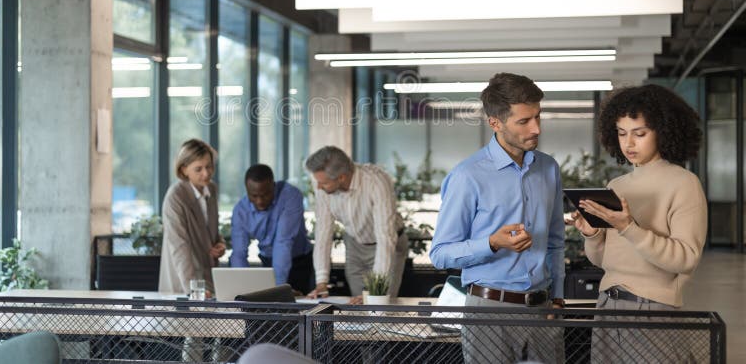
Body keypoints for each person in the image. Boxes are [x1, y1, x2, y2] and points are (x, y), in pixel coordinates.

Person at [430, 72, 565, 364]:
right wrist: (491, 243)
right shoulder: (468, 176)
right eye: (524, 121)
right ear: (495, 123)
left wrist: (558, 296)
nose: (536, 128)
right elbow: (440, 254)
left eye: (538, 117)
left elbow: (555, 241)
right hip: (488, 312)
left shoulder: (549, 169)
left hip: (544, 312)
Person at [566, 84, 707, 362]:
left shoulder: (684, 184)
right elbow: (603, 261)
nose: (628, 143)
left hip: (653, 310)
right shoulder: (616, 185)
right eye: (621, 133)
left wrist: (629, 228)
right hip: (607, 306)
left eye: (639, 134)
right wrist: (593, 235)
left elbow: (686, 259)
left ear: (663, 132)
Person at [305, 146, 409, 303]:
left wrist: (374, 291)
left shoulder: (376, 182)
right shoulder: (324, 185)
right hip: (354, 244)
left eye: (324, 183)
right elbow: (323, 233)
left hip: (388, 245)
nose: (318, 187)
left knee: (380, 304)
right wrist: (321, 283)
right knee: (359, 305)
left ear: (341, 177)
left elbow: (385, 237)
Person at [230, 164, 314, 293]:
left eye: (265, 195)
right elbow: (239, 253)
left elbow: (283, 242)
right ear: (246, 190)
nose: (259, 201)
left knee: (302, 306)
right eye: (254, 196)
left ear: (273, 186)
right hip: (268, 261)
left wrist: (277, 291)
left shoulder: (290, 195)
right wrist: (242, 289)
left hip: (299, 262)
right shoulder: (240, 210)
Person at [158, 138, 226, 295]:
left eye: (209, 166)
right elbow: (179, 245)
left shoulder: (212, 190)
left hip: (208, 277)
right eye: (199, 169)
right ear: (184, 170)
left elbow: (210, 229)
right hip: (184, 282)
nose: (206, 173)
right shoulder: (175, 196)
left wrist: (220, 244)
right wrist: (192, 289)